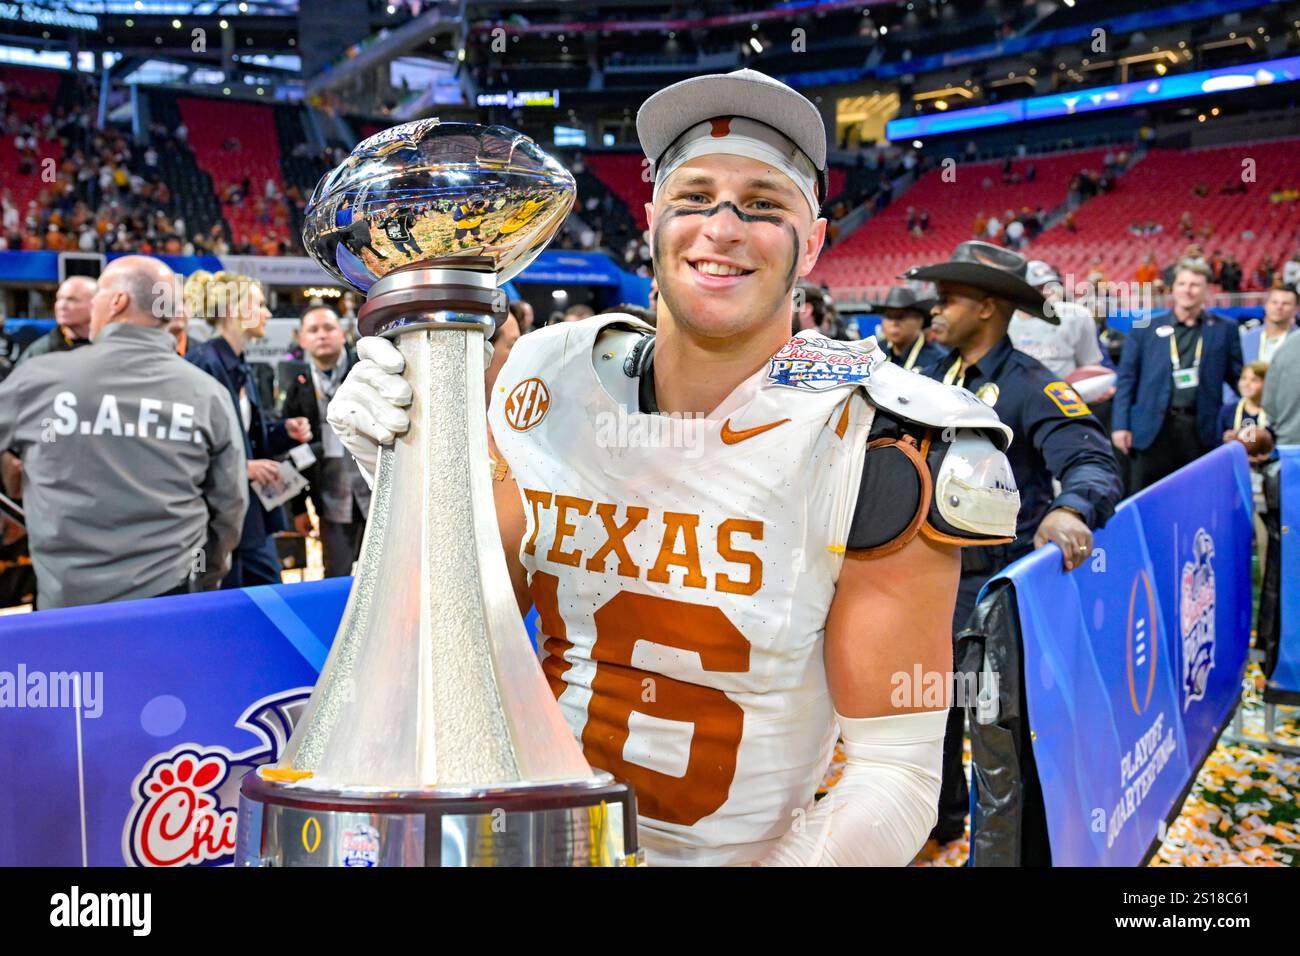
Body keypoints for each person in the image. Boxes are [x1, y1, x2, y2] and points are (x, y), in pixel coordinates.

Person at [325, 68, 1022, 866]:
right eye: (694, 198)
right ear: (651, 221)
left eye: (763, 204)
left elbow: (895, 771)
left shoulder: (883, 434)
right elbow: (462, 625)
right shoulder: (549, 373)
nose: (722, 228)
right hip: (520, 835)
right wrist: (407, 469)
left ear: (816, 240)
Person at [907, 240, 1124, 844]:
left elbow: (1090, 461)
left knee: (995, 731)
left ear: (989, 306)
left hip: (989, 588)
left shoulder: (1032, 385)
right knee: (932, 716)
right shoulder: (929, 374)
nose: (936, 311)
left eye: (949, 298)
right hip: (926, 576)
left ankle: (1005, 849)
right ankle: (938, 825)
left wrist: (1069, 509)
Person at [0, 256, 247, 610]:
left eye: (97, 295)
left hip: (65, 603)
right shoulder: (207, 393)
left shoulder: (39, 378)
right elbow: (230, 505)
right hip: (171, 598)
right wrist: (205, 575)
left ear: (117, 302)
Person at [186, 270, 313, 587]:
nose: (267, 313)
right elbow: (190, 446)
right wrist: (241, 468)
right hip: (221, 519)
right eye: (258, 304)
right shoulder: (204, 362)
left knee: (270, 602)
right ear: (234, 309)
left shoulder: (241, 363)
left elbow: (251, 439)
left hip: (252, 519)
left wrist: (285, 430)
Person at [1112, 261, 1244, 491]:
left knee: (1197, 498)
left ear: (1207, 290)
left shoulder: (1225, 329)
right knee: (1148, 500)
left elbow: (1239, 381)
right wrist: (1121, 425)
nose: (1187, 290)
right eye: (1182, 283)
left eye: (1195, 284)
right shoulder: (1145, 328)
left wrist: (1244, 423)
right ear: (1173, 288)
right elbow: (1126, 380)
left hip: (1201, 430)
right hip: (1152, 430)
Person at [280, 307, 369, 578]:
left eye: (329, 328)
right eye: (313, 330)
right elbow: (292, 450)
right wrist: (298, 508)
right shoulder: (297, 385)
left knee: (387, 574)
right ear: (301, 338)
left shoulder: (366, 370)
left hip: (377, 494)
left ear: (343, 333)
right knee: (337, 575)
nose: (322, 335)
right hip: (331, 499)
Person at [1008, 260, 1103, 379]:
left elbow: (1090, 365)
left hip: (1065, 392)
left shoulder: (1076, 316)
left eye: (1048, 286)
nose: (1044, 292)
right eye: (1037, 288)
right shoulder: (1005, 320)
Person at [16, 276, 95, 365]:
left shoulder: (108, 346)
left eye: (72, 299)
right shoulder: (39, 352)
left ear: (96, 303)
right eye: (59, 298)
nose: (62, 306)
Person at [865, 286, 945, 372]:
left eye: (900, 317)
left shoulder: (937, 361)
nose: (893, 323)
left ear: (920, 321)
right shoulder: (874, 353)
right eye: (889, 317)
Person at [1240, 284, 1297, 365]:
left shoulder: (1297, 340)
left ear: (1295, 309)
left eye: (1285, 303)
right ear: (1265, 305)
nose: (1279, 307)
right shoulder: (1247, 338)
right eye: (1274, 302)